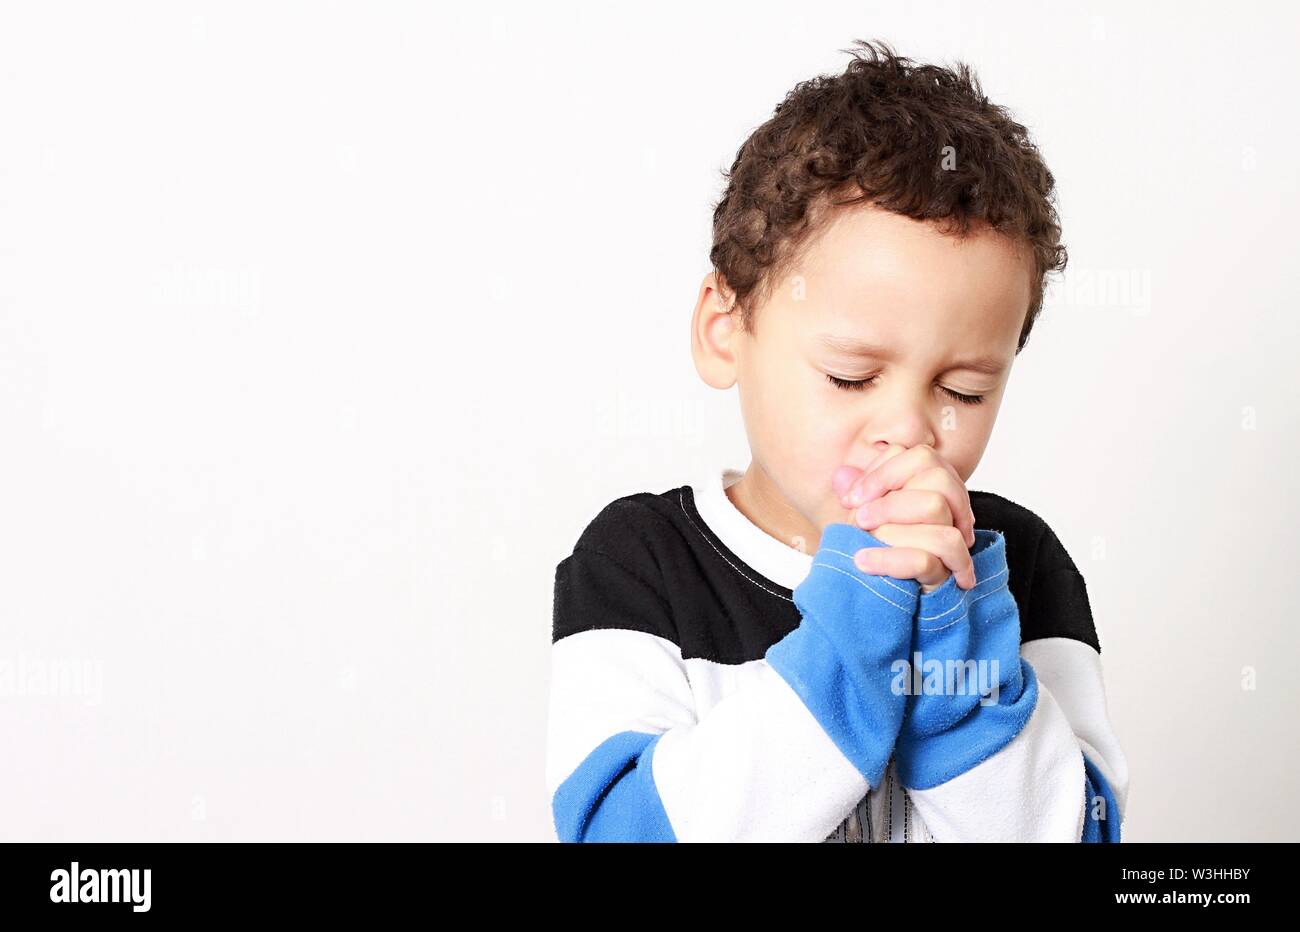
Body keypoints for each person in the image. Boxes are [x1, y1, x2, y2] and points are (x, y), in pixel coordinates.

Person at [545, 38, 1129, 842]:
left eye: (964, 390)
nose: (908, 429)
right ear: (726, 331)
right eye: (853, 377)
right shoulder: (636, 563)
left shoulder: (1020, 568)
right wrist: (862, 613)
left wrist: (954, 632)